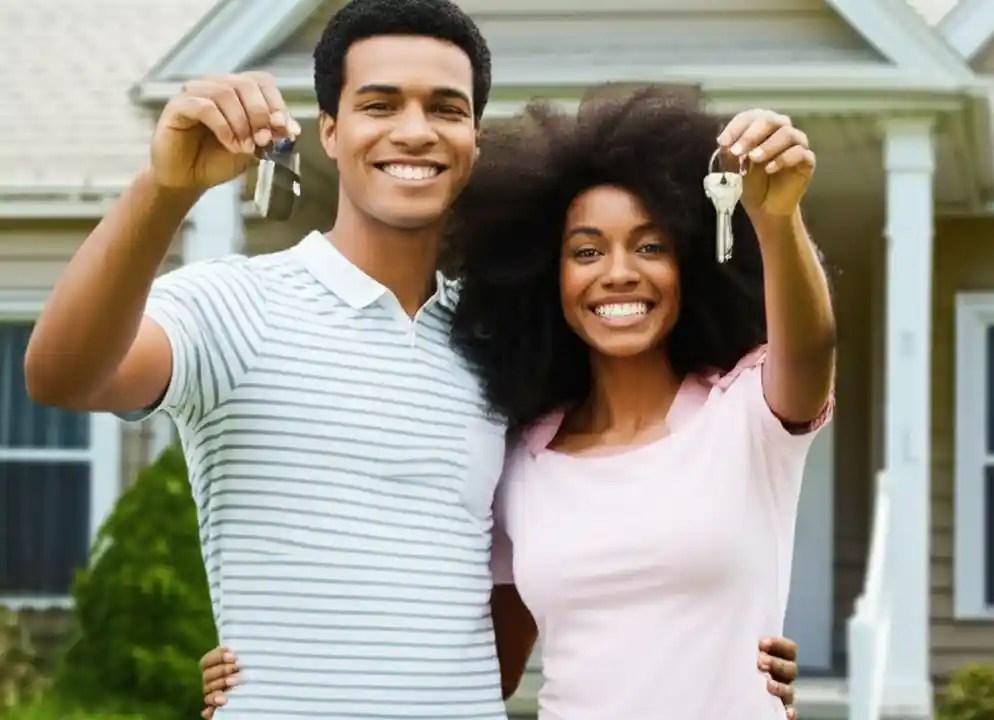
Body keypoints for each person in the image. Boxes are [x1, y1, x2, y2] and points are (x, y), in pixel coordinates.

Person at [25, 0, 801, 718]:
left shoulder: (505, 342)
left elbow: (550, 564)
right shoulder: (233, 305)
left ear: (475, 140)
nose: (415, 131)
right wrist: (164, 192)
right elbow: (63, 375)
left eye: (446, 109)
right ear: (329, 130)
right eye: (379, 104)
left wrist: (720, 646)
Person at [198, 85, 836, 719]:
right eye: (586, 251)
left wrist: (777, 219)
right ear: (545, 276)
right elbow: (486, 667)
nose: (618, 272)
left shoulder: (748, 411)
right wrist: (274, 664)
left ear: (688, 266)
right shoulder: (524, 459)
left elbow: (810, 348)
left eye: (650, 247)